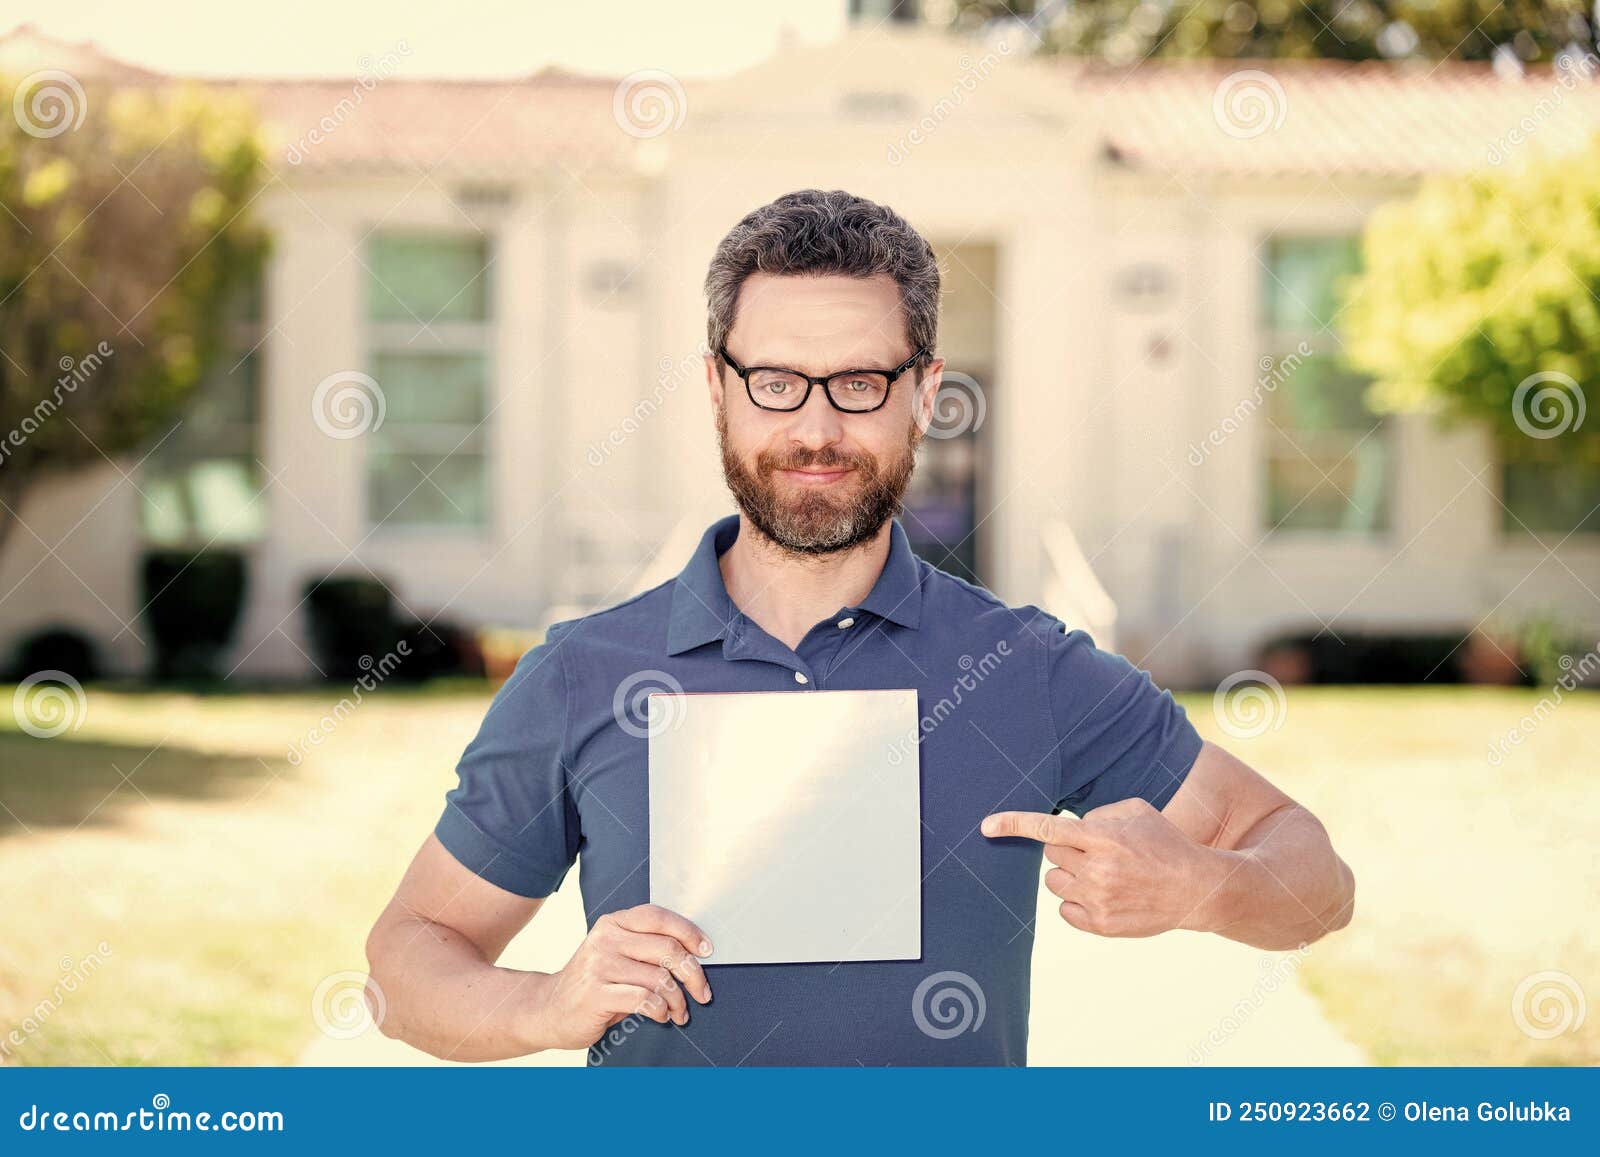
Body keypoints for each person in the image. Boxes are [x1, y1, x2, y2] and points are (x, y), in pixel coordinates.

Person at [364, 188, 1354, 1066]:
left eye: (859, 382)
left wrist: (1203, 889)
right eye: (776, 380)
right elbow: (404, 959)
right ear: (716, 386)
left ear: (924, 392)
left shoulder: (1026, 667)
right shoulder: (583, 673)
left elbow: (1314, 873)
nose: (815, 427)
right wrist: (545, 1002)